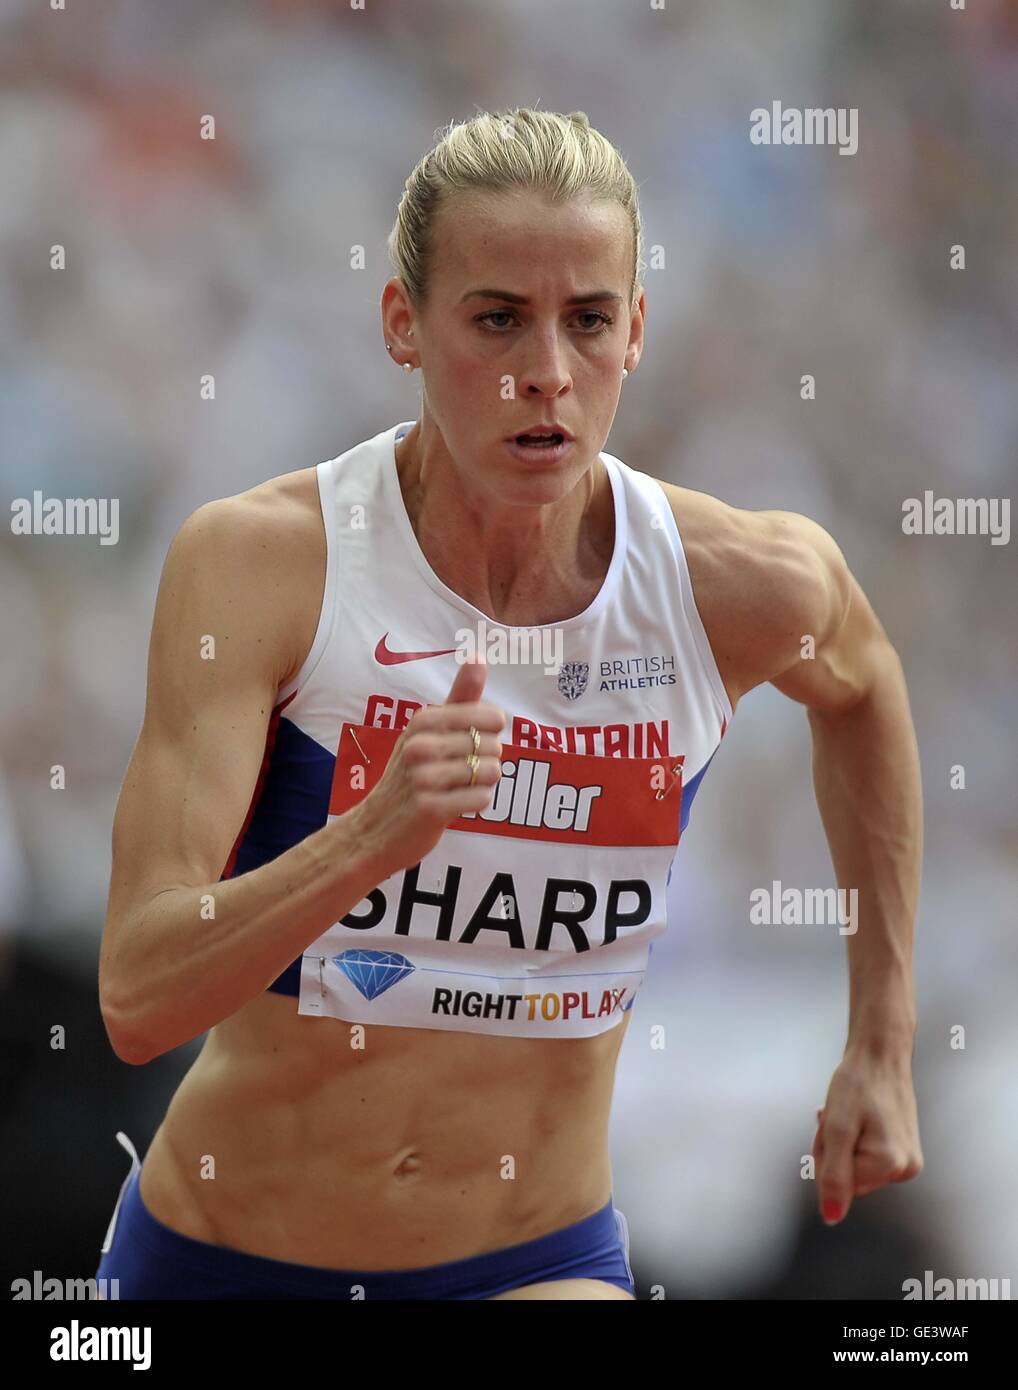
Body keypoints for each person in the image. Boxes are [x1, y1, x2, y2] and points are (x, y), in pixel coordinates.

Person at [95, 108, 923, 1301]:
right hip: (221, 1264)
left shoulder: (731, 582)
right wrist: (373, 837)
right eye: (496, 318)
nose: (545, 368)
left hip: (531, 1261)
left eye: (587, 320)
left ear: (634, 332)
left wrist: (882, 1044)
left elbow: (863, 685)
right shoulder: (265, 566)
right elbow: (136, 993)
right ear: (403, 325)